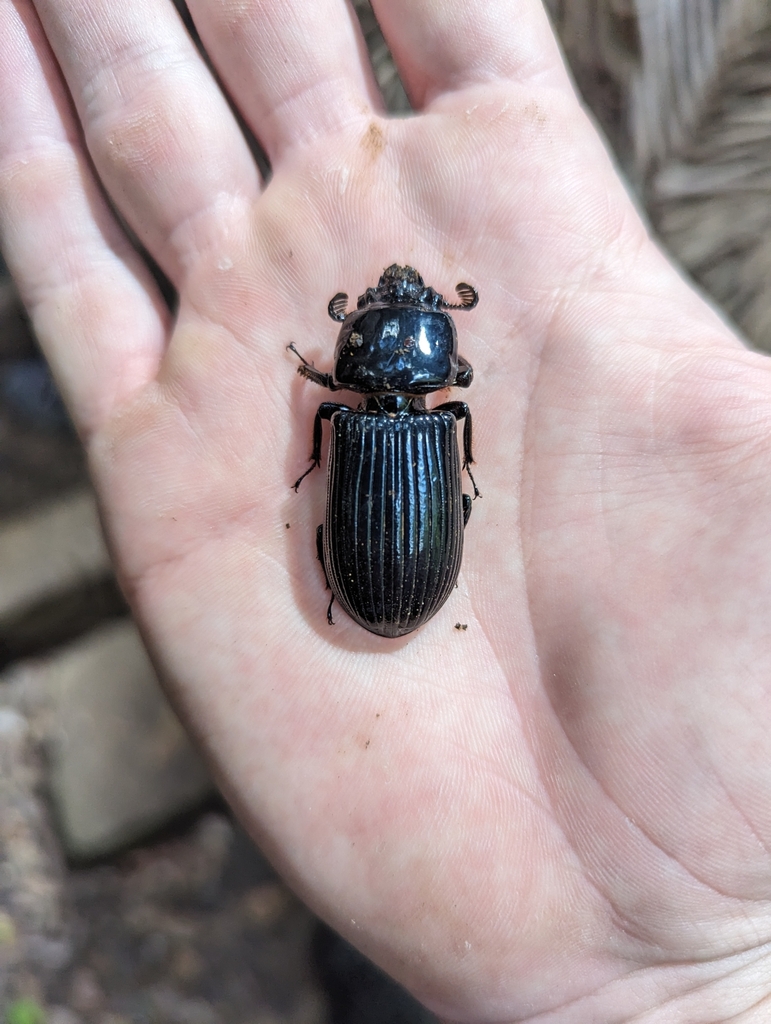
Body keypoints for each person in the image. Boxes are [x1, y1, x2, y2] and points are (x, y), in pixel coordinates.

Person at [2, 0, 770, 1020]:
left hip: (373, 548)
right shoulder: (442, 419)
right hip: (397, 554)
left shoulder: (348, 417)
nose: (396, 293)